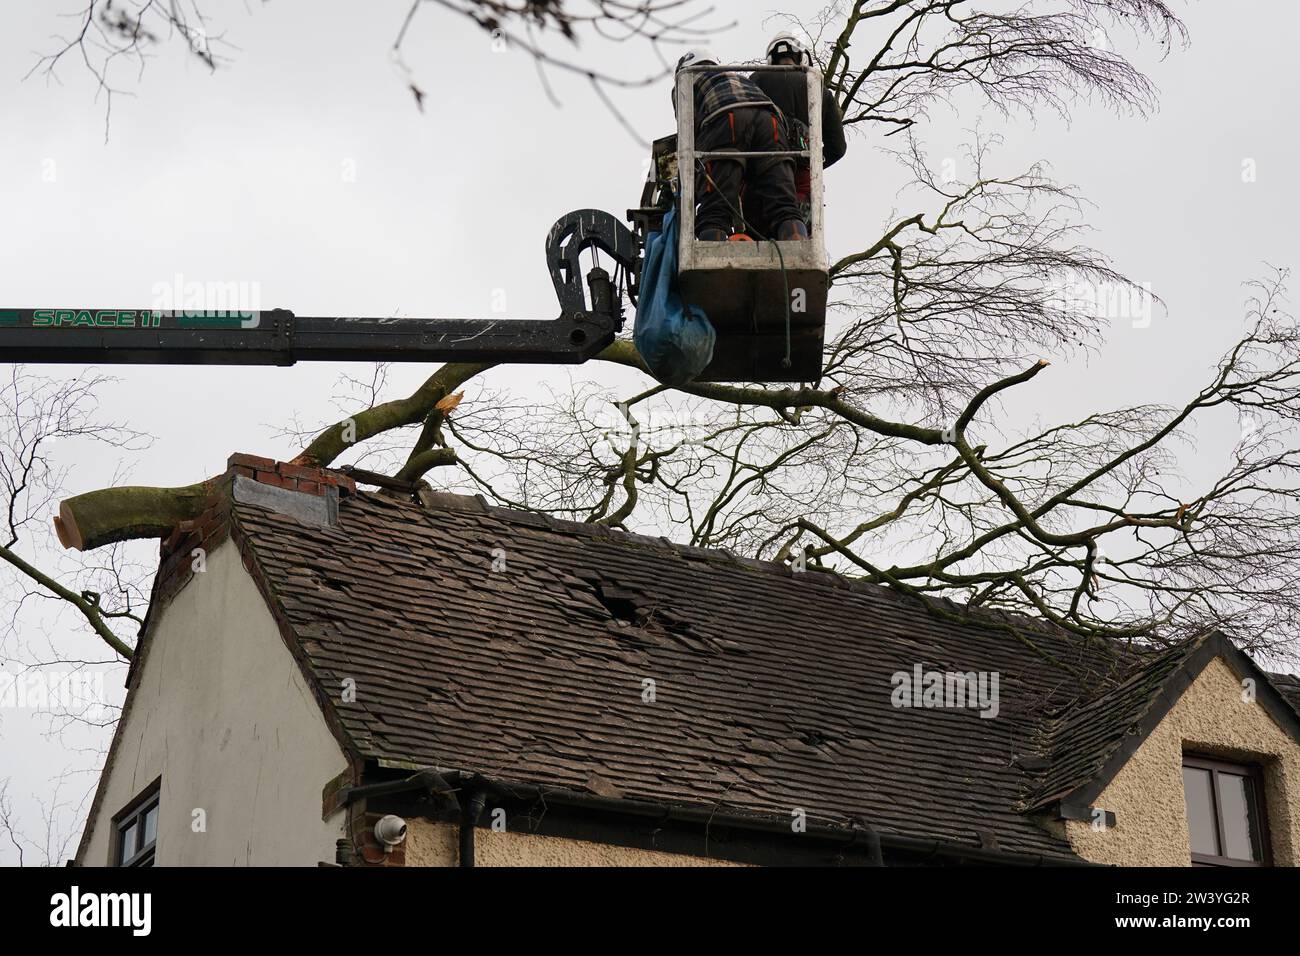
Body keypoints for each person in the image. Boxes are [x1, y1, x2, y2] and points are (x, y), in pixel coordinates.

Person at [673, 49, 808, 242]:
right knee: (783, 203)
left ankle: (713, 259)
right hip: (769, 121)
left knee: (716, 209)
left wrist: (688, 186)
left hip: (725, 120)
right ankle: (798, 248)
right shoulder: (735, 76)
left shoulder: (685, 81)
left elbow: (688, 138)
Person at [752, 33, 847, 217]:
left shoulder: (755, 81)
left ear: (771, 58)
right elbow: (837, 147)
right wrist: (814, 162)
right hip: (801, 176)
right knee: (796, 226)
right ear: (803, 58)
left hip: (761, 172)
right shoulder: (818, 88)